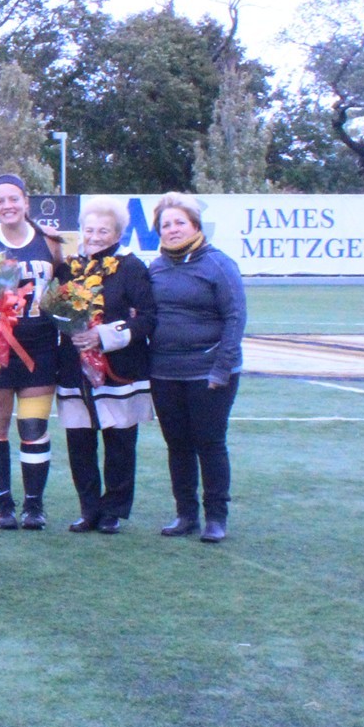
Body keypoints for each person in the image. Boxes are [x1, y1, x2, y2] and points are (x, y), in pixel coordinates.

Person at [147, 192, 246, 544]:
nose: (172, 229)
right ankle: (185, 514)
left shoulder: (218, 264)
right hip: (164, 372)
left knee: (210, 443)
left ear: (195, 226)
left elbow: (235, 317)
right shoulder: (156, 267)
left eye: (179, 223)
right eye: (165, 224)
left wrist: (221, 368)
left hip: (208, 372)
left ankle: (216, 517)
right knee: (177, 445)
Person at [0, 173, 63, 530]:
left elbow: (65, 290)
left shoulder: (50, 242)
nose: (7, 206)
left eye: (13, 199)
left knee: (34, 425)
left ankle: (34, 506)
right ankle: (3, 504)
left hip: (39, 346)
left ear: (26, 201)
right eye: (0, 201)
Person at [58, 197, 157, 535]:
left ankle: (114, 509)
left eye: (104, 230)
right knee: (79, 442)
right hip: (74, 368)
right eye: (90, 230)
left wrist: (103, 336)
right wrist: (71, 329)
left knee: (119, 442)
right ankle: (89, 509)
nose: (96, 236)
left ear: (117, 233)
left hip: (120, 369)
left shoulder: (131, 267)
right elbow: (56, 310)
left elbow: (148, 319)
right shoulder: (69, 266)